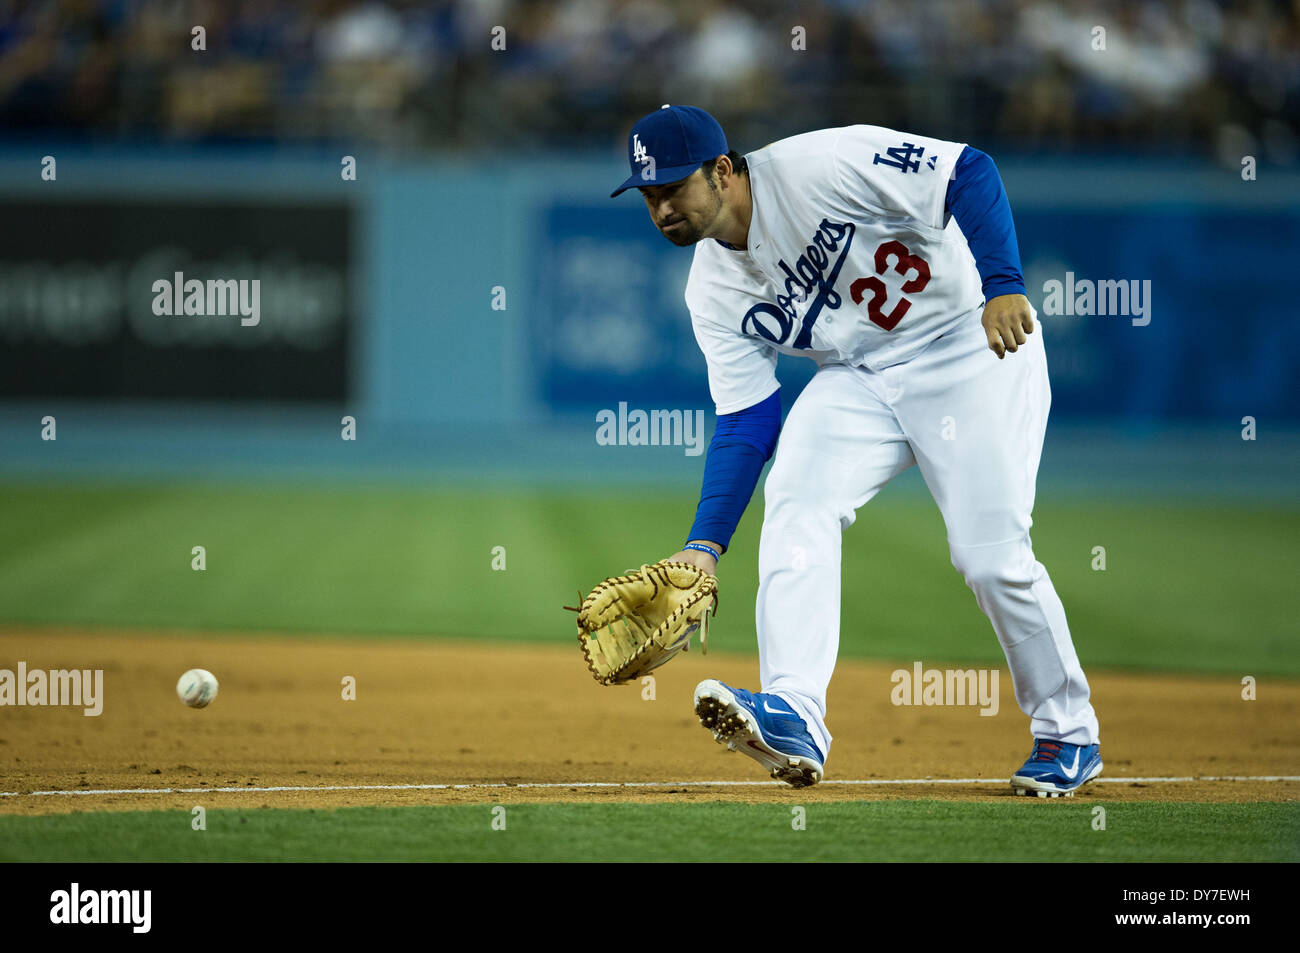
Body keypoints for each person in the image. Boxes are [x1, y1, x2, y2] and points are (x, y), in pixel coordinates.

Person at [609, 105, 1101, 795]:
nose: (661, 208)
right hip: (861, 377)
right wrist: (704, 545)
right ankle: (795, 713)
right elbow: (748, 421)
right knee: (798, 494)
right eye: (649, 196)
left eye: (672, 188)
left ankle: (1067, 728)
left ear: (722, 170)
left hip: (969, 346)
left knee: (989, 558)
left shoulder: (822, 165)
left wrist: (1004, 283)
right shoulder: (711, 291)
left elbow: (969, 170)